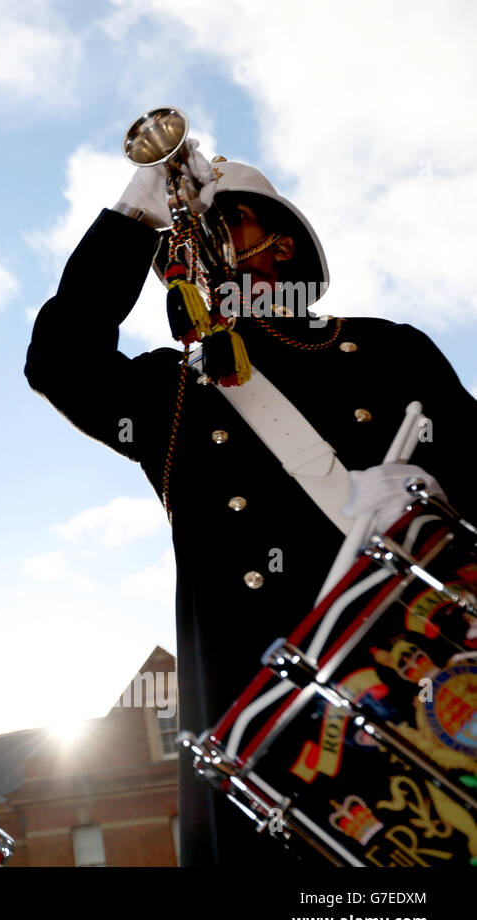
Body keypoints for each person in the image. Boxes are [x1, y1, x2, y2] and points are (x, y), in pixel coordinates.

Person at [24, 148, 477, 866]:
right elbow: (59, 360)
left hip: (429, 682)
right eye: (176, 242)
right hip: (272, 729)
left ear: (282, 244)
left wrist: (438, 496)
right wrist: (129, 218)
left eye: (217, 226)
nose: (191, 250)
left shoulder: (389, 349)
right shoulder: (170, 392)